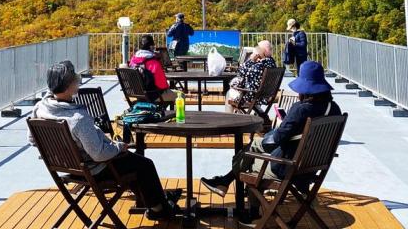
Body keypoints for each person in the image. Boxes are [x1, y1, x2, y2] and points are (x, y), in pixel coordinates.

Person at [32, 60, 181, 220]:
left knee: (133, 163)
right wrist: (118, 147)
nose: (78, 81)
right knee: (144, 164)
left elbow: (33, 140)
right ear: (69, 86)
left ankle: (158, 202)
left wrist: (61, 151)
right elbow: (99, 154)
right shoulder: (77, 119)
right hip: (94, 169)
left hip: (67, 166)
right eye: (76, 79)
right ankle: (160, 209)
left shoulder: (41, 108)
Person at [202, 60, 341, 196]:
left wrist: (278, 128)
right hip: (311, 168)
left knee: (248, 159)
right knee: (253, 148)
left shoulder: (301, 110)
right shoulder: (335, 110)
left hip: (287, 167)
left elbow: (275, 141)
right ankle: (224, 182)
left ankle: (251, 212)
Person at [225, 39, 277, 112]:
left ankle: (230, 117)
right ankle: (260, 112)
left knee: (229, 93)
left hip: (254, 96)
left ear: (262, 51)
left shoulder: (259, 66)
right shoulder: (272, 63)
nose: (256, 49)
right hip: (265, 96)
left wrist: (251, 60)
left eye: (258, 48)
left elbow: (241, 73)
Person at [129, 34, 177, 102]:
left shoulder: (133, 60)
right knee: (181, 96)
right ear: (151, 46)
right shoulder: (153, 62)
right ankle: (172, 112)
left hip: (138, 95)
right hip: (153, 95)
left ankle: (159, 110)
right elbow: (163, 85)